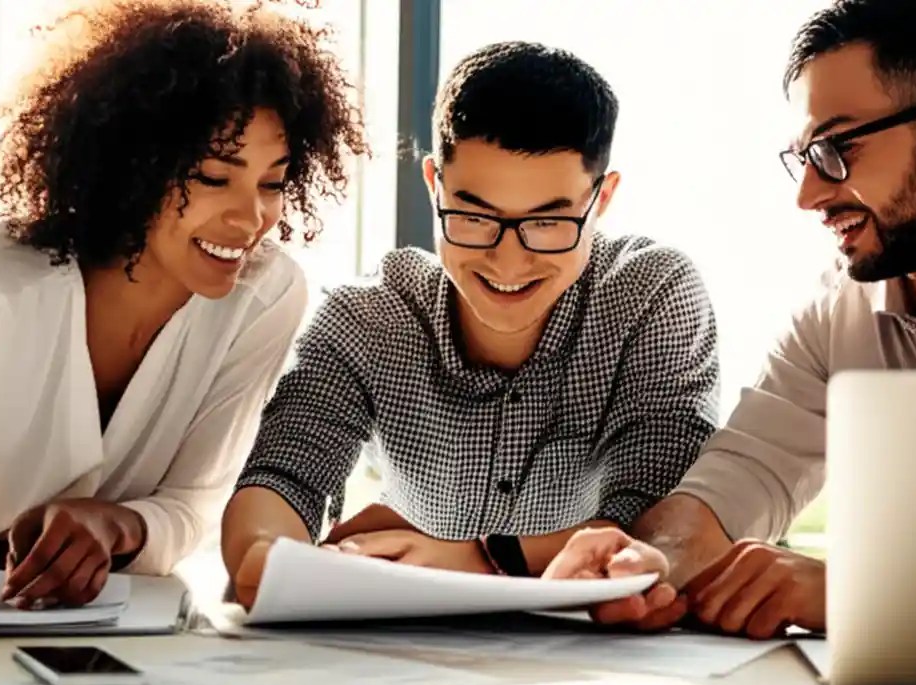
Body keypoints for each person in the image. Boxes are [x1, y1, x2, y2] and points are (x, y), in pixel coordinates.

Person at [545, 0, 916, 638]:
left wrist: (862, 595)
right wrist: (651, 562)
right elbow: (727, 490)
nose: (808, 195)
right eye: (804, 158)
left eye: (836, 148)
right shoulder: (834, 318)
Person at [0, 0, 367, 606]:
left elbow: (191, 505)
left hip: (113, 631)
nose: (251, 217)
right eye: (212, 177)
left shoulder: (266, 295)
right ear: (133, 164)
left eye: (272, 181)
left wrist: (115, 524)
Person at [221, 41, 721, 608]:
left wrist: (479, 558)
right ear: (435, 184)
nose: (508, 261)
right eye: (474, 217)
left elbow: (660, 522)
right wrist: (270, 553)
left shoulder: (650, 294)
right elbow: (285, 475)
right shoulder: (369, 318)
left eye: (550, 222)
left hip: (597, 652)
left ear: (601, 199)